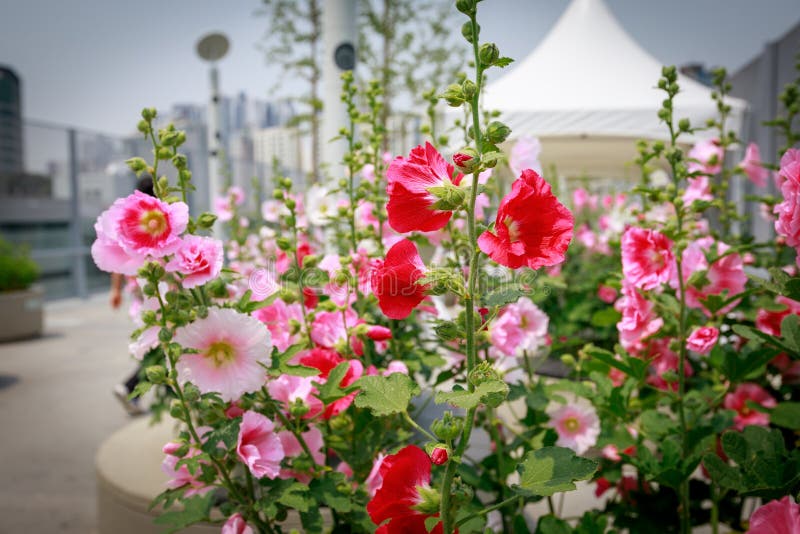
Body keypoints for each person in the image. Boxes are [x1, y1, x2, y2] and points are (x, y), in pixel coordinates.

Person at [111, 176, 154, 416]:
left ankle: (132, 391)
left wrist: (116, 290)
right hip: (154, 284)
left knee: (155, 338)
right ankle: (130, 388)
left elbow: (118, 259)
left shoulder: (127, 219)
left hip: (136, 286)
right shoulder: (156, 216)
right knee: (159, 341)